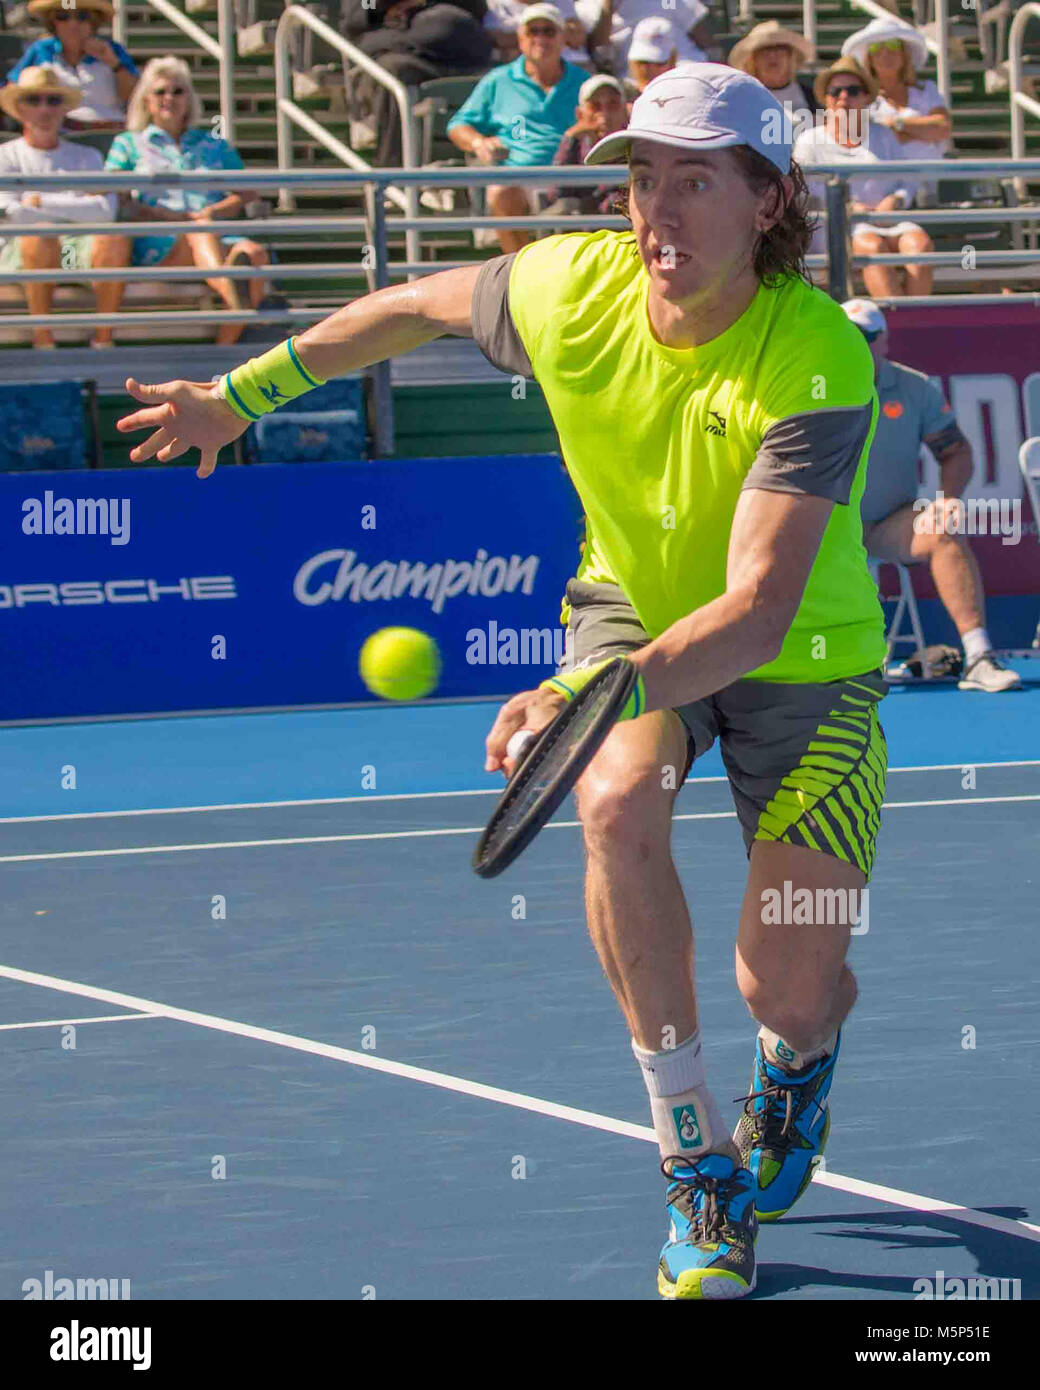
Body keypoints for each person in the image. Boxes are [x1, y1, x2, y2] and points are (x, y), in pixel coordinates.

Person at [119, 63, 891, 1301]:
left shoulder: (810, 357)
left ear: (767, 201)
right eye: (642, 178)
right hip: (628, 608)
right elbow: (403, 307)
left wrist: (585, 696)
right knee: (610, 802)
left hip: (806, 661)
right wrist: (235, 397)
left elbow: (754, 611)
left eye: (693, 181)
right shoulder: (565, 284)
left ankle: (796, 1067)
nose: (657, 211)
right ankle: (693, 1161)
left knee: (784, 980)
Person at [843, 298, 1021, 692]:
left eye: (866, 338)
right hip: (824, 528)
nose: (857, 346)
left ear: (883, 342)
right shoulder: (809, 385)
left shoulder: (914, 388)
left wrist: (948, 499)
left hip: (889, 523)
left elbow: (955, 450)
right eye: (848, 337)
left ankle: (978, 657)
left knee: (943, 529)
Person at [100, 57, 275, 348]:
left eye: (178, 91)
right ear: (146, 100)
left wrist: (211, 212)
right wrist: (162, 215)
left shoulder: (213, 144)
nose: (169, 98)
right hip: (158, 241)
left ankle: (224, 347)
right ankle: (234, 297)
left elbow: (247, 192)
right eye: (160, 92)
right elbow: (115, 194)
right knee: (203, 233)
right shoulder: (128, 143)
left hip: (214, 233)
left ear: (189, 99)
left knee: (253, 252)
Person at [0, 64, 123, 349]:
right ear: (19, 108)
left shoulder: (88, 156)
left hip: (74, 250)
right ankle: (43, 340)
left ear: (63, 108)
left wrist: (40, 201)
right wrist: (76, 205)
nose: (44, 109)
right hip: (18, 253)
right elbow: (13, 214)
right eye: (34, 100)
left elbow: (106, 213)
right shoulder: (4, 156)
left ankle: (103, 342)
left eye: (53, 100)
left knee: (113, 238)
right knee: (41, 236)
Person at [447, 5, 587, 252]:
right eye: (533, 31)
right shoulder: (498, 80)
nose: (540, 38)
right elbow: (458, 125)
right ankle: (516, 271)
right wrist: (479, 143)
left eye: (549, 31)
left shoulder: (584, 82)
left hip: (573, 178)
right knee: (503, 191)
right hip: (517, 178)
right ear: (520, 39)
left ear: (563, 38)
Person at [793, 56, 936, 297]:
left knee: (920, 245)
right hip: (837, 228)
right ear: (825, 100)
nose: (843, 97)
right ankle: (900, 327)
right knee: (873, 248)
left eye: (853, 90)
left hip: (887, 221)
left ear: (867, 97)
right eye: (835, 91)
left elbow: (907, 179)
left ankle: (914, 323)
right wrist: (844, 204)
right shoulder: (810, 140)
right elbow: (805, 189)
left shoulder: (883, 135)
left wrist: (896, 200)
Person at [339, 0, 492, 167]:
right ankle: (393, 175)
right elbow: (358, 15)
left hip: (455, 49)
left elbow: (477, 8)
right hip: (399, 49)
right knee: (394, 71)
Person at [841, 16, 952, 193]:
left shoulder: (927, 89)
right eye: (877, 48)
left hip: (931, 185)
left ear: (904, 54)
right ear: (869, 59)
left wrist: (895, 125)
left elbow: (942, 128)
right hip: (885, 189)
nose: (885, 53)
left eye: (893, 45)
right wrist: (922, 130)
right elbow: (865, 140)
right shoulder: (861, 97)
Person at [5, 0, 137, 131]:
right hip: (57, 136)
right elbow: (13, 91)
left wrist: (113, 62)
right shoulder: (42, 50)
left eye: (82, 16)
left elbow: (133, 97)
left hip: (109, 134)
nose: (73, 24)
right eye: (62, 16)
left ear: (94, 21)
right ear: (52, 22)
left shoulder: (113, 50)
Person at [543, 72, 627, 215]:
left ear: (624, 111)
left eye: (613, 104)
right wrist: (570, 137)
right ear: (580, 114)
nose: (604, 114)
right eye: (595, 106)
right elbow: (555, 195)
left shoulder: (636, 144)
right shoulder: (574, 144)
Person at [728, 19, 816, 120]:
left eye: (780, 48)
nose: (773, 55)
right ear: (753, 59)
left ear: (790, 56)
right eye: (765, 49)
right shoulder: (741, 97)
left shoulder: (809, 95)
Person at [624, 17, 679, 97]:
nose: (649, 70)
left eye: (659, 63)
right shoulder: (619, 93)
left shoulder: (686, 91)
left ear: (673, 61)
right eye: (642, 62)